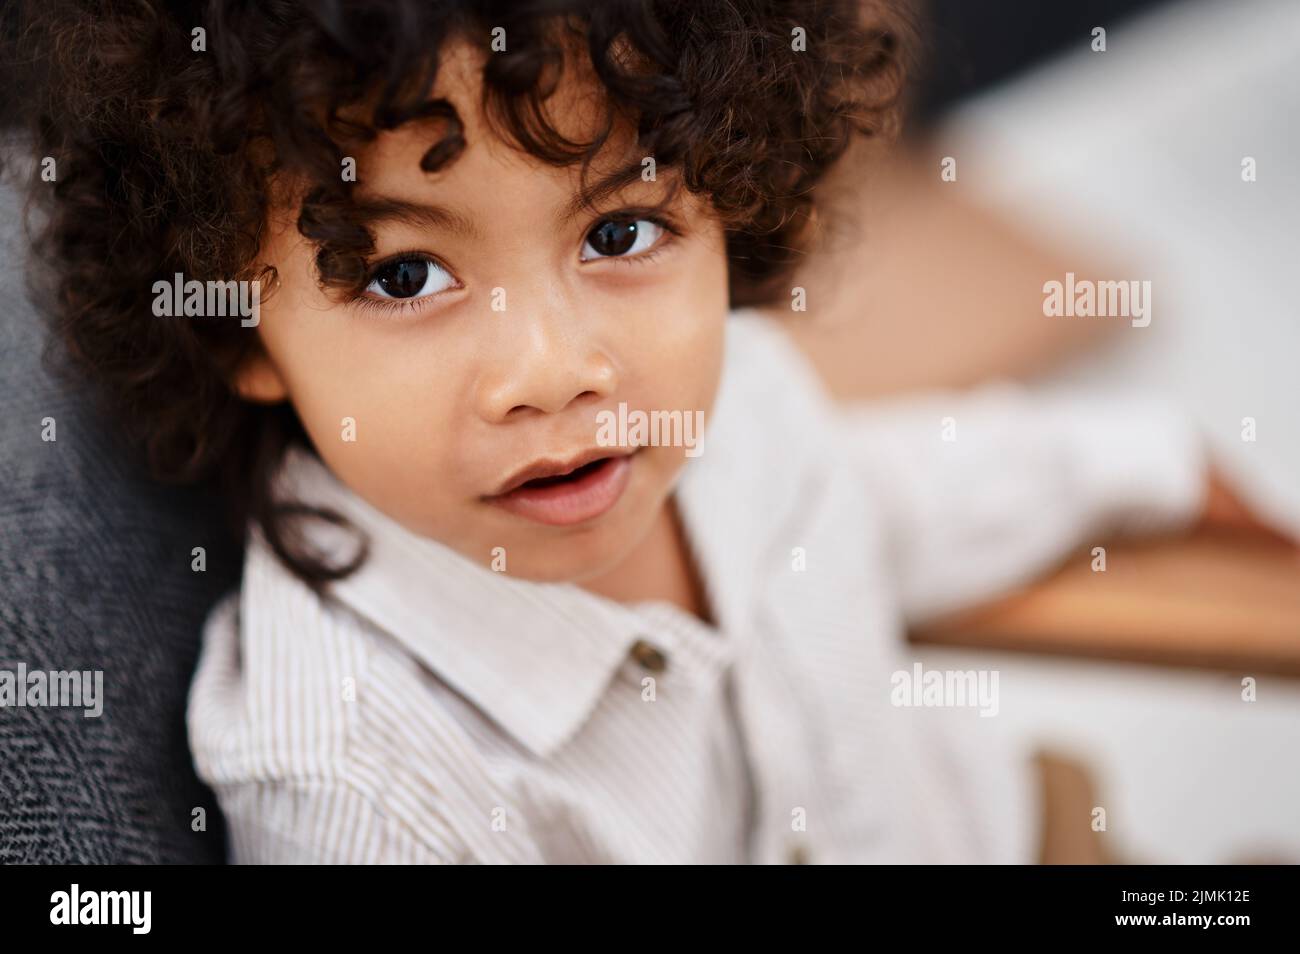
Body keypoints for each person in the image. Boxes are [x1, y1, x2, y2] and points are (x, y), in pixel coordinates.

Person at [12, 0, 1278, 863]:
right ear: (236, 326)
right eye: (403, 277)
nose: (552, 371)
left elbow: (884, 494)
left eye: (619, 234)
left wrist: (1145, 471)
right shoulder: (356, 780)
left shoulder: (748, 399)